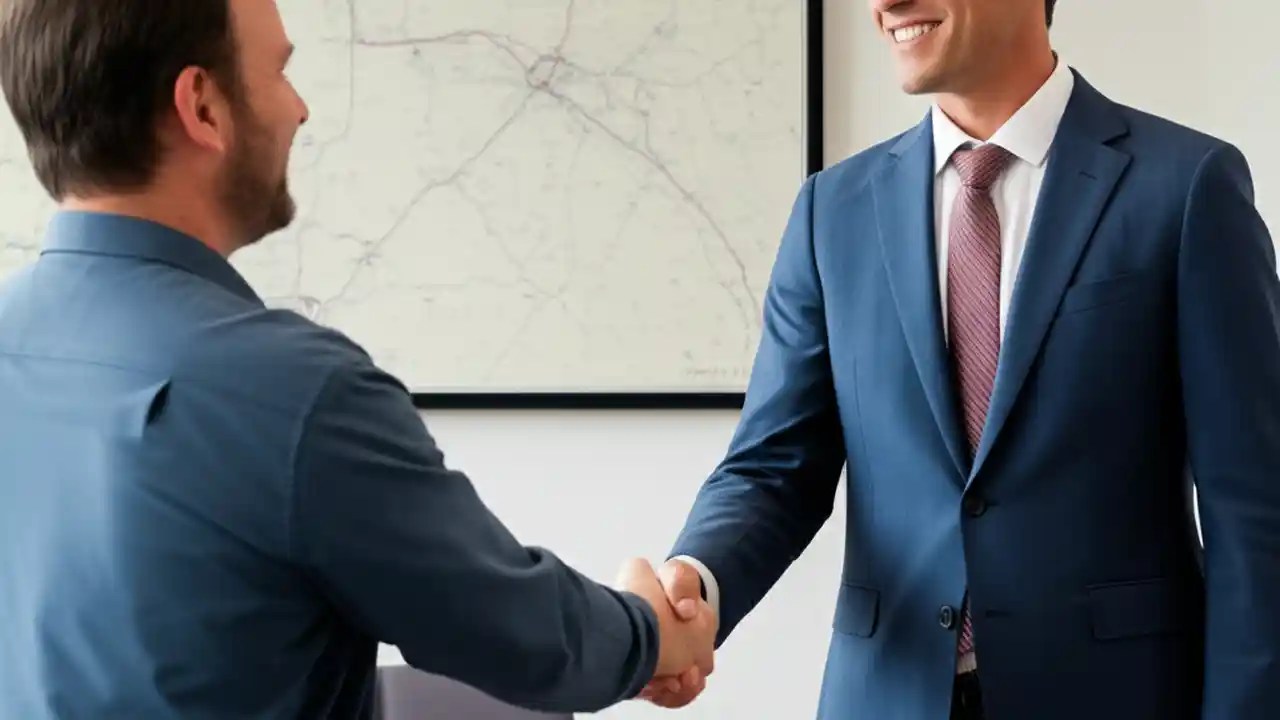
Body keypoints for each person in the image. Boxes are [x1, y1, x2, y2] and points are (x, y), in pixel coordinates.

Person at [0, 1, 715, 717]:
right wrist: (649, 632)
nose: (299, 109)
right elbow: (521, 635)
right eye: (279, 71)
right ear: (203, 107)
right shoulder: (291, 390)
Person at [640, 0, 1280, 717]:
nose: (886, 5)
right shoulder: (833, 210)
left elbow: (1255, 510)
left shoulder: (1187, 188)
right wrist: (695, 583)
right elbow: (773, 467)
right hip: (885, 696)